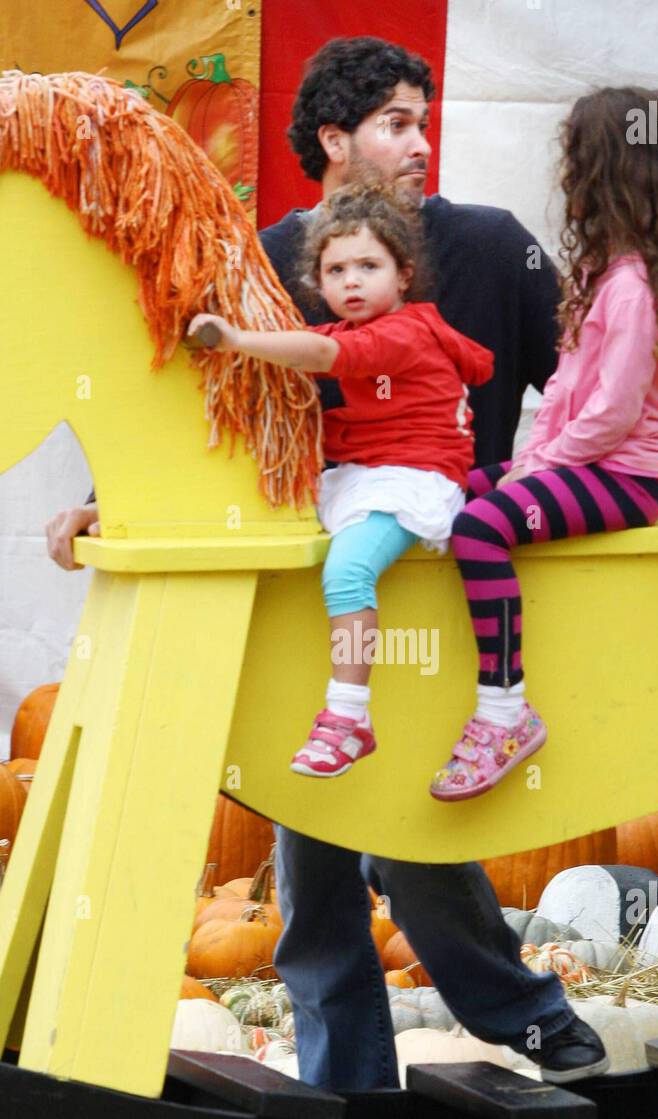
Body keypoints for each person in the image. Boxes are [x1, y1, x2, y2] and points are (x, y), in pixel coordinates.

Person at [47, 36, 658, 1090]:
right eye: (397, 123)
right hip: (326, 584)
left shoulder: (488, 248)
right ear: (332, 139)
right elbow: (204, 423)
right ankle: (347, 1091)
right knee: (313, 838)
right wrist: (108, 503)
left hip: (457, 567)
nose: (420, 143)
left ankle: (527, 1022)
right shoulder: (264, 269)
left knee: (410, 820)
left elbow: (605, 391)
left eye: (423, 120)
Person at [430, 86, 658, 801]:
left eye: (577, 160)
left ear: (611, 172)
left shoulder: (635, 290)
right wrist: (525, 464)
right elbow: (566, 387)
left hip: (623, 479)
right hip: (583, 462)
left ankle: (504, 710)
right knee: (453, 490)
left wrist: (535, 465)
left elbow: (614, 412)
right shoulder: (605, 275)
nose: (567, 177)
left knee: (478, 527)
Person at [185, 183, 494, 778]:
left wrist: (237, 340)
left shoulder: (401, 333)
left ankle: (349, 712)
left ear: (403, 276)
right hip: (367, 474)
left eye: (368, 266)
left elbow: (317, 358)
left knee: (348, 570)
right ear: (319, 283)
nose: (351, 281)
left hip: (412, 477)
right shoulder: (364, 333)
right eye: (336, 270)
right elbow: (326, 350)